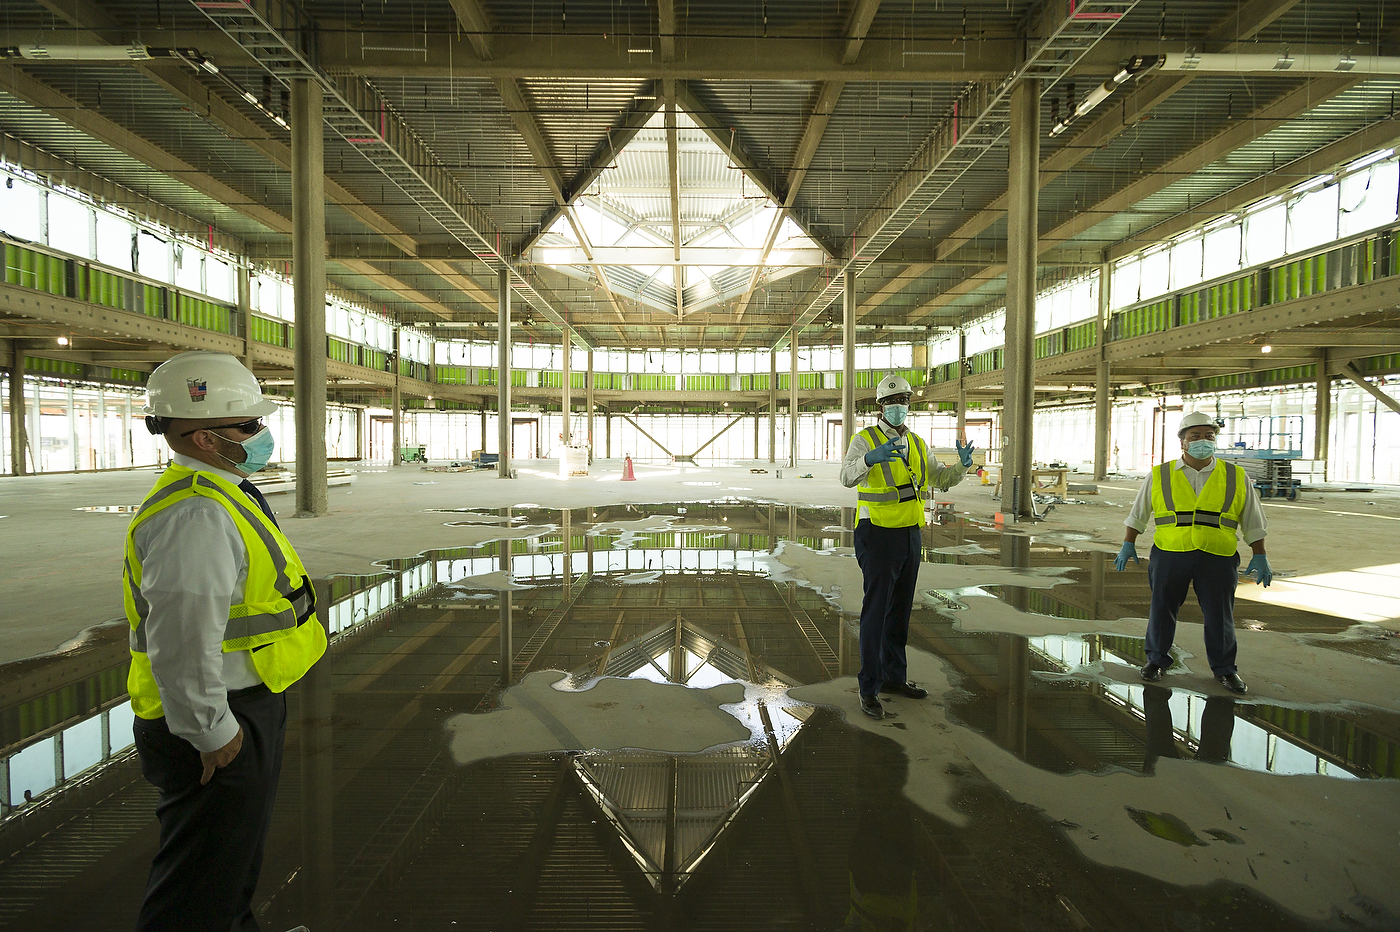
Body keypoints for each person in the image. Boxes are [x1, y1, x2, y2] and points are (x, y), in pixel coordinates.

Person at [124, 351, 326, 932]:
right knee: (196, 887)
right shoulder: (196, 515)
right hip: (214, 720)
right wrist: (212, 733)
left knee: (230, 865)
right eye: (248, 426)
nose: (260, 436)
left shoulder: (220, 492)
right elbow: (182, 640)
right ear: (204, 436)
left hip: (244, 701)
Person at [841, 374, 975, 719]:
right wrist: (870, 459)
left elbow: (939, 480)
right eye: (890, 402)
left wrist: (961, 466)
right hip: (878, 533)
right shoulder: (864, 439)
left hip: (911, 534)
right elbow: (846, 477)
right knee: (875, 612)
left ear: (909, 405)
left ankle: (894, 678)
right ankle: (868, 687)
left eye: (902, 401)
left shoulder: (917, 443)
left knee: (899, 612)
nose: (897, 407)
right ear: (880, 407)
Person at [1114, 411, 1271, 695]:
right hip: (1170, 553)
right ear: (1183, 442)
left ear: (1216, 440)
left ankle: (1225, 670)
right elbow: (1138, 513)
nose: (1202, 441)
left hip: (1218, 555)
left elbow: (1253, 519)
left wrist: (1259, 553)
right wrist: (1128, 543)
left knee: (1219, 614)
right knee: (1162, 609)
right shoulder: (1160, 474)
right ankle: (1156, 662)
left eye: (1208, 436)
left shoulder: (1235, 475)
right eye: (1195, 436)